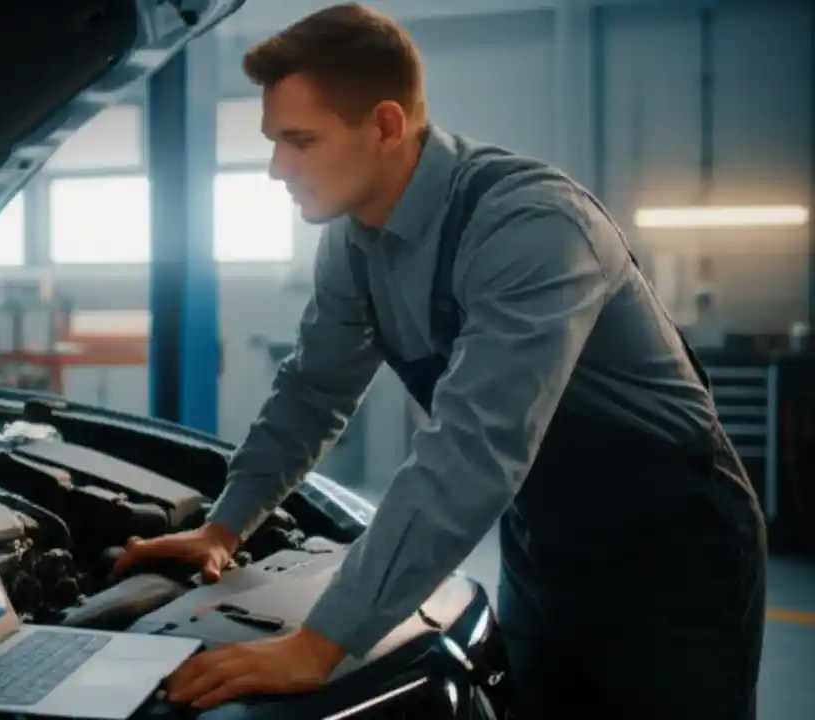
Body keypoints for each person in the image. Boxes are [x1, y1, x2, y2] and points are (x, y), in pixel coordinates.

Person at [109, 4, 768, 718]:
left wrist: (322, 641)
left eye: (299, 141)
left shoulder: (533, 226)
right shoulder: (353, 239)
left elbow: (475, 446)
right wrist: (225, 525)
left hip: (673, 552)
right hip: (544, 542)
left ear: (387, 125)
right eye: (273, 141)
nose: (275, 168)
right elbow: (312, 391)